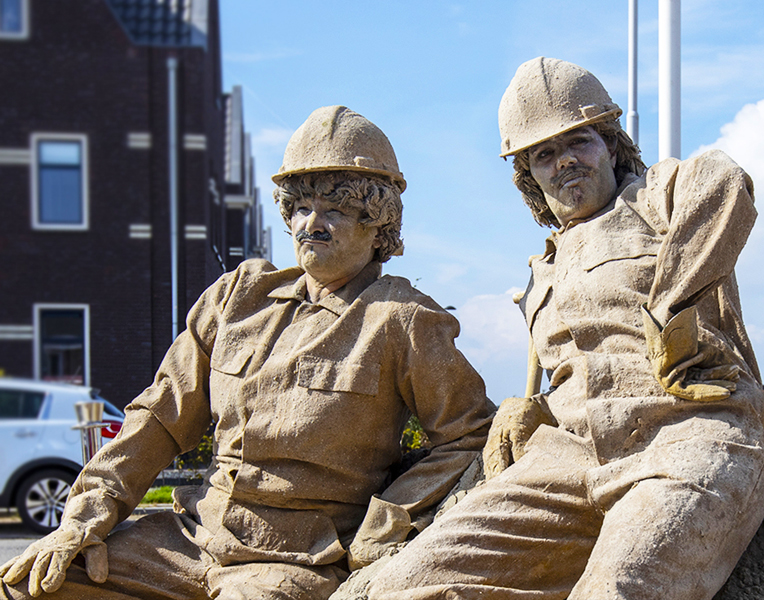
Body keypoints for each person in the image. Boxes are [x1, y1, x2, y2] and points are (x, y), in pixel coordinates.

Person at [0, 106, 497, 599]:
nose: (312, 223)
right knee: (29, 585)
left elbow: (469, 437)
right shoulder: (236, 297)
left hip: (292, 559)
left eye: (336, 209)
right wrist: (84, 517)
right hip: (188, 541)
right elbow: (159, 416)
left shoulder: (403, 319)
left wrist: (386, 522)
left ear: (378, 223)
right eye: (300, 207)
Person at [369, 58, 764, 599]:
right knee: (403, 585)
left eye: (579, 142)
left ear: (609, 144)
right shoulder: (542, 270)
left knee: (619, 589)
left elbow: (724, 180)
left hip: (688, 429)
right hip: (569, 454)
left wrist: (672, 306)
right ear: (529, 176)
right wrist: (535, 406)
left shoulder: (656, 194)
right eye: (544, 154)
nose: (564, 160)